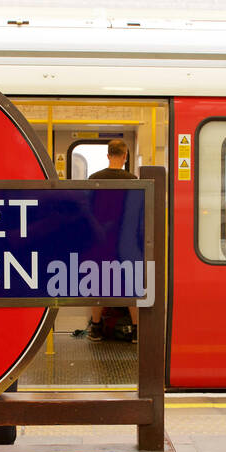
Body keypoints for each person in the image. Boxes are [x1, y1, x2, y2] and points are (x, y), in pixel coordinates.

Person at [86, 139, 138, 342]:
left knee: (98, 283)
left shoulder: (94, 178)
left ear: (108, 155)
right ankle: (135, 331)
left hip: (101, 238)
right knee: (130, 284)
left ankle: (96, 328)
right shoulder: (133, 180)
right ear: (125, 157)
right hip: (125, 239)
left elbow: (89, 210)